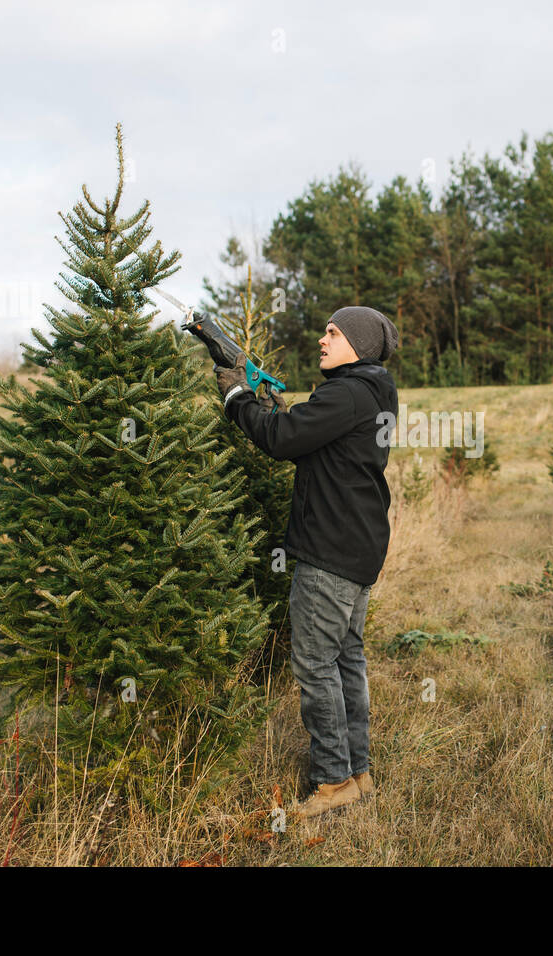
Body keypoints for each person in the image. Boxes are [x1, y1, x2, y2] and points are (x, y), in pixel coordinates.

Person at [216, 306, 399, 819]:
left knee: (316, 664)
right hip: (361, 546)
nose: (322, 339)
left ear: (358, 345)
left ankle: (332, 781)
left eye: (333, 332)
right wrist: (278, 403)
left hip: (330, 550)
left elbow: (280, 440)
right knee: (347, 660)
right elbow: (316, 440)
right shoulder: (374, 390)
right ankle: (357, 772)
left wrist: (236, 398)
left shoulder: (345, 394)